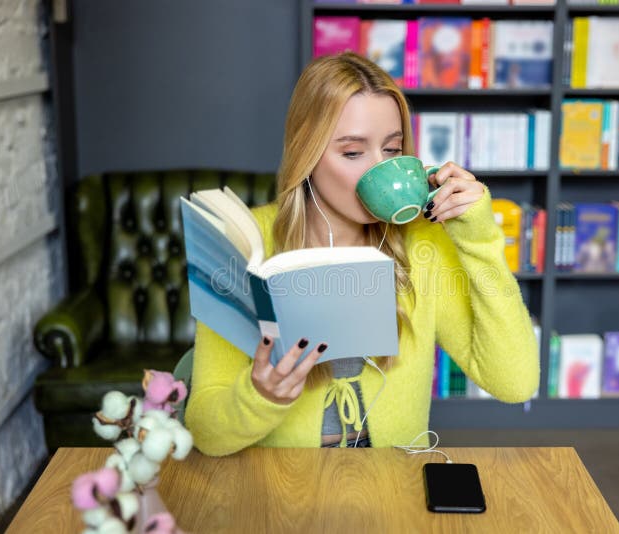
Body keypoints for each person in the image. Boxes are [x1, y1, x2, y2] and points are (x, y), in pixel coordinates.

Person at [185, 52, 539, 455]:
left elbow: (515, 383)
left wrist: (478, 239)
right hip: (283, 486)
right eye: (353, 153)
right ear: (307, 153)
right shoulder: (245, 240)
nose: (378, 171)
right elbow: (205, 434)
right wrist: (260, 395)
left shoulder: (423, 241)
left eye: (391, 151)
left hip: (392, 483)